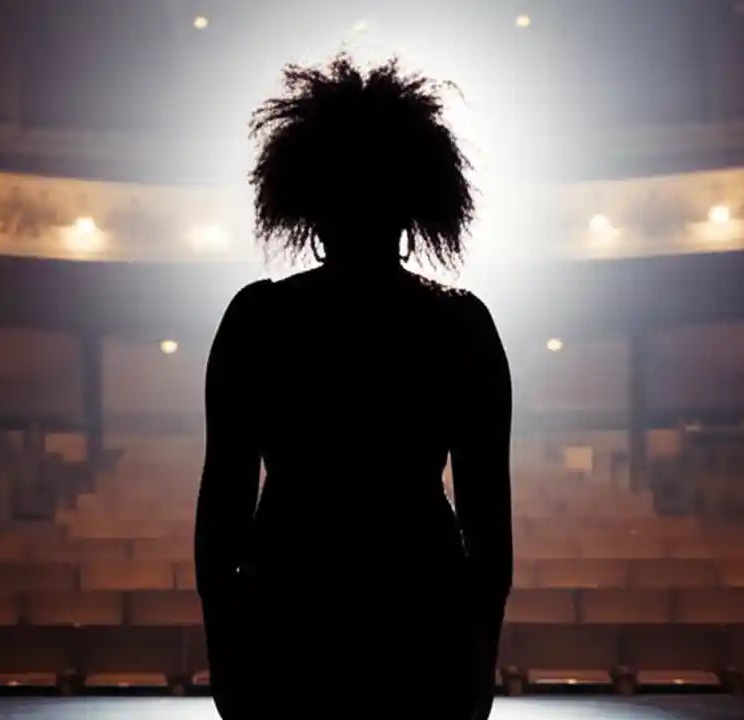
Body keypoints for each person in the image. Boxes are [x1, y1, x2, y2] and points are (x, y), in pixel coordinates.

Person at [195, 54, 512, 720]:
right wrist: (479, 654)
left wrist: (225, 641)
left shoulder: (258, 318)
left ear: (304, 205)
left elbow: (222, 509)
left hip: (286, 601)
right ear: (417, 204)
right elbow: (488, 525)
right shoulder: (459, 323)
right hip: (420, 606)